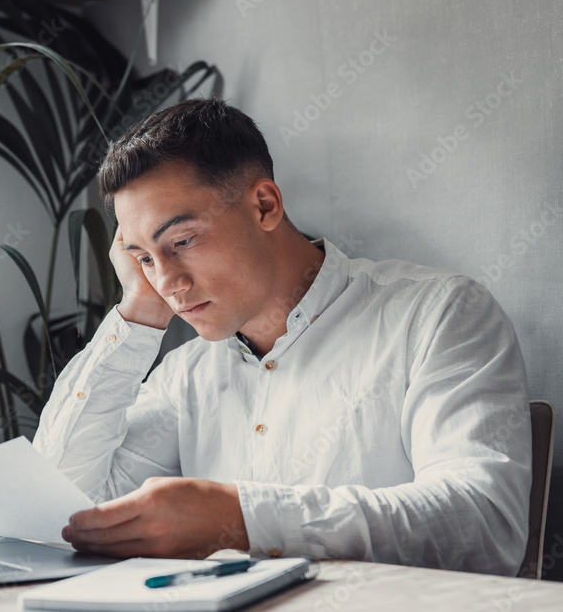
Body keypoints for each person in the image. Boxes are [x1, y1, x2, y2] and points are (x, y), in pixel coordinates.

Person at [32, 98, 532, 576]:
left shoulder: (438, 314)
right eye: (143, 257)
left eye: (182, 241)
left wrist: (242, 518)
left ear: (265, 204)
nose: (168, 283)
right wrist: (138, 311)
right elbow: (60, 508)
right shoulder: (186, 374)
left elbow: (484, 524)